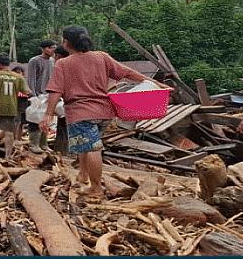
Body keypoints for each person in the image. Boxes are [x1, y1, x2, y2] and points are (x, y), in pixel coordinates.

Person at [42, 26, 164, 200]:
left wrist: (48, 114)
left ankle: (96, 188)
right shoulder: (102, 57)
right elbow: (126, 72)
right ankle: (83, 175)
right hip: (104, 112)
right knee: (85, 144)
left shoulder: (63, 63)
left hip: (81, 112)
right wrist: (154, 82)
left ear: (66, 43)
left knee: (92, 148)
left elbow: (55, 90)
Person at [25, 40, 59, 152]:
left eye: (54, 48)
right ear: (43, 48)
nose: (52, 50)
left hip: (48, 94)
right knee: (35, 119)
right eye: (50, 48)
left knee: (46, 120)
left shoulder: (52, 61)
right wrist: (33, 95)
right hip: (37, 94)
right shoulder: (34, 60)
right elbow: (31, 79)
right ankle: (33, 144)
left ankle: (43, 144)